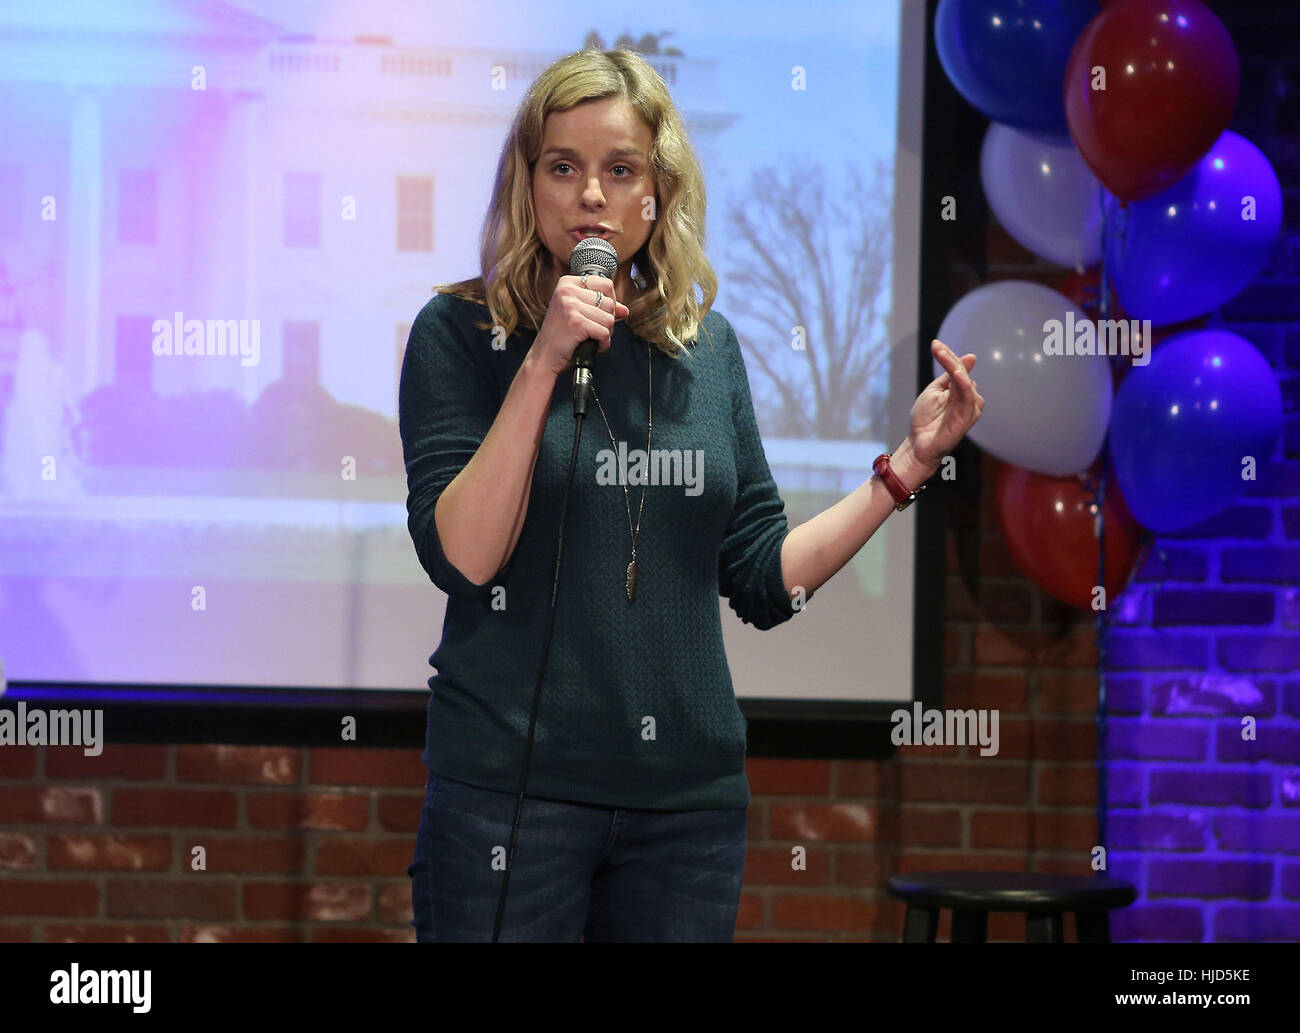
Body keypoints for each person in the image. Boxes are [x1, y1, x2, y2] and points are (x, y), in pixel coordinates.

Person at [401, 47, 984, 943]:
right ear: (527, 184)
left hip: (684, 811)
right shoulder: (460, 332)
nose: (591, 196)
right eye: (563, 167)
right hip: (510, 799)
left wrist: (905, 464)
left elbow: (764, 577)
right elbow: (466, 559)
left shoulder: (705, 350)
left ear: (658, 192)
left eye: (620, 170)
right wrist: (544, 357)